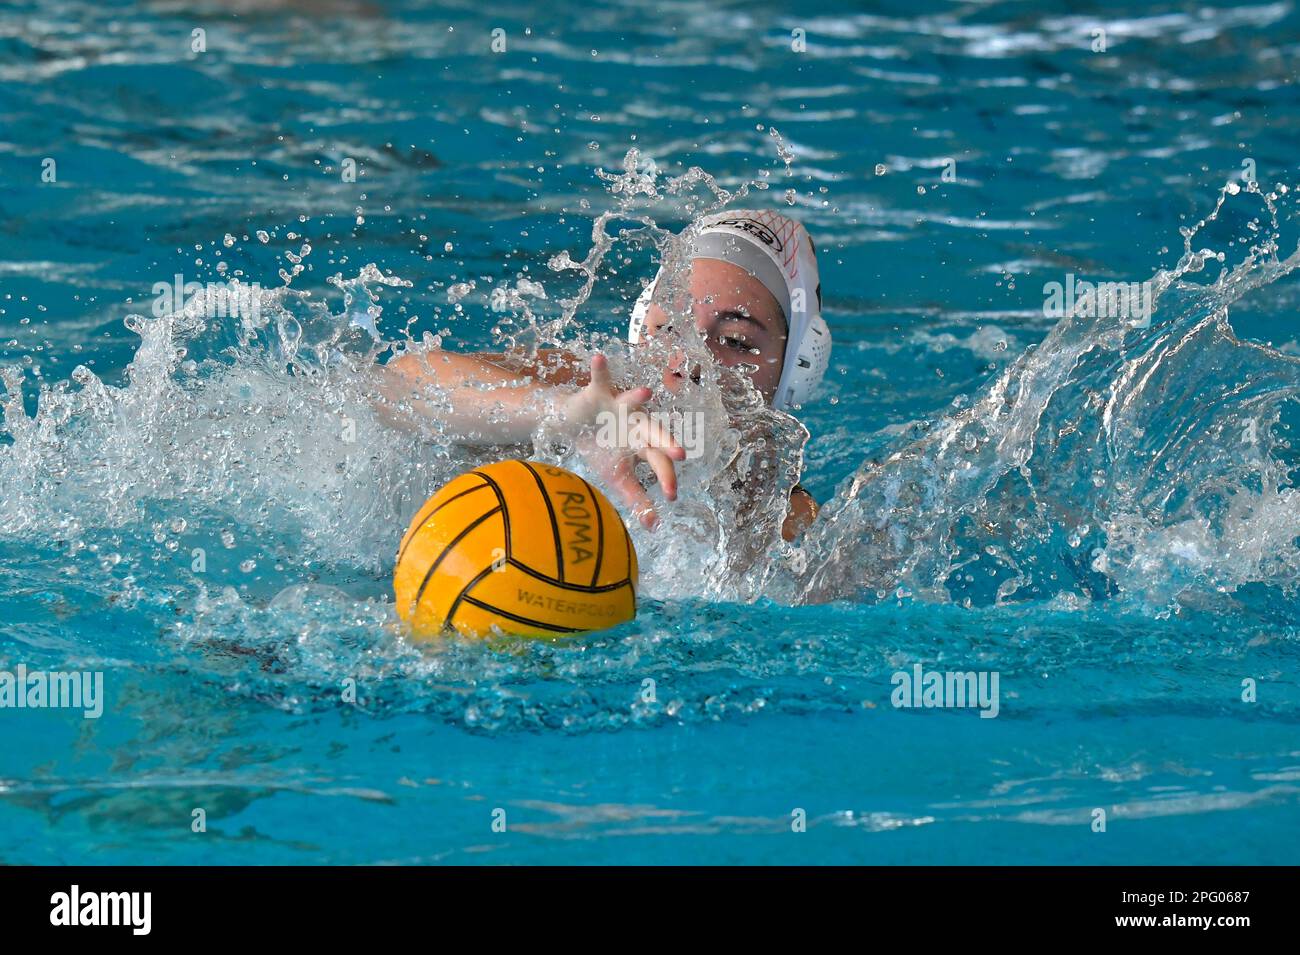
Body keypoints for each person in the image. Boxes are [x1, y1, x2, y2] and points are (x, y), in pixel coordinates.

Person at [378, 209, 832, 541]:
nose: (687, 362)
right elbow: (394, 385)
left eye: (734, 341)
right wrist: (563, 416)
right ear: (639, 330)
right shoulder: (590, 387)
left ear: (796, 370)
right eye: (668, 326)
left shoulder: (786, 527)